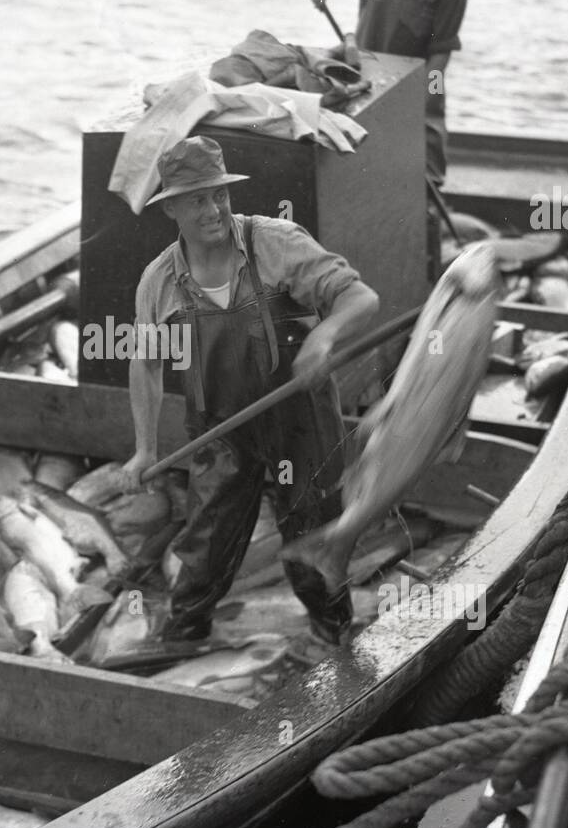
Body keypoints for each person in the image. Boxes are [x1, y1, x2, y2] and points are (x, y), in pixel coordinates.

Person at [120, 136, 379, 649]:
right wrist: (145, 449)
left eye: (220, 194)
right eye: (197, 199)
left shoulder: (275, 242)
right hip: (220, 431)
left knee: (312, 537)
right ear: (170, 207)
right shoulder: (158, 282)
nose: (214, 209)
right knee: (206, 546)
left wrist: (326, 335)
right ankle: (182, 638)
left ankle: (335, 634)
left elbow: (360, 297)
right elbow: (145, 363)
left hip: (299, 422)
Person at [306, 0, 483, 185]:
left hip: (421, 75)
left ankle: (427, 207)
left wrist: (427, 93)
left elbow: (442, 51)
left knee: (427, 144)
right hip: (365, 68)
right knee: (354, 143)